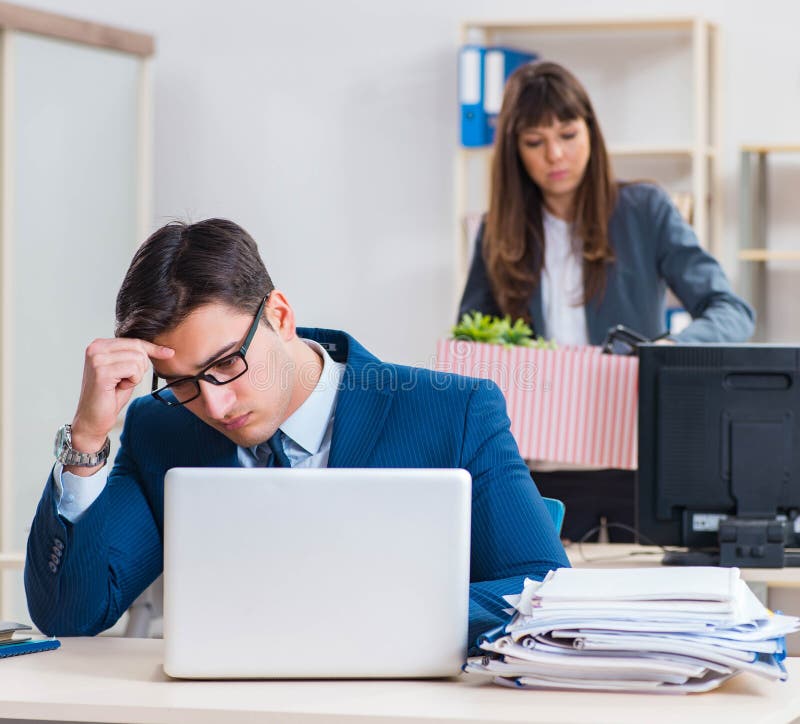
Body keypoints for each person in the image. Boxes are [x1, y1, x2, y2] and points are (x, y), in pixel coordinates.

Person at [25, 218, 568, 646]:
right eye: (183, 383)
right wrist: (88, 437)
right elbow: (72, 614)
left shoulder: (455, 412)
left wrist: (368, 610)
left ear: (279, 315)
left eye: (226, 364)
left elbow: (544, 590)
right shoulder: (162, 428)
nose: (213, 404)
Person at [457, 61, 755, 542]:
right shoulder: (497, 231)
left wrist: (669, 350)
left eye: (568, 134)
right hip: (534, 473)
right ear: (514, 151)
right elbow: (469, 343)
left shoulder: (645, 210)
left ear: (591, 133)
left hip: (636, 462)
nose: (555, 154)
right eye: (534, 142)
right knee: (543, 605)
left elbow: (731, 311)